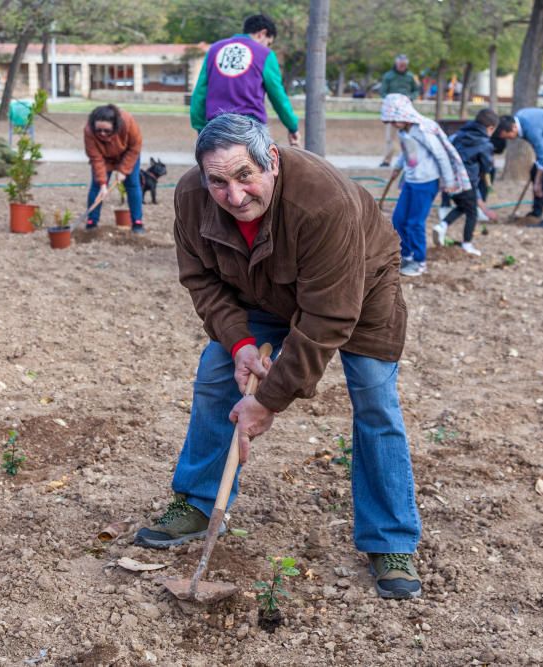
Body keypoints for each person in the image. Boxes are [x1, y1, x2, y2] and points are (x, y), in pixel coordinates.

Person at [133, 113, 423, 600]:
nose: (234, 196)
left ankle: (391, 540)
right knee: (215, 372)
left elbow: (327, 317)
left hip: (358, 287)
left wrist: (267, 401)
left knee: (374, 399)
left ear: (271, 160)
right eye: (218, 182)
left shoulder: (323, 202)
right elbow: (201, 280)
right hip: (260, 288)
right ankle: (200, 502)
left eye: (244, 176)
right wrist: (240, 344)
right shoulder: (191, 198)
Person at [382, 94, 471, 277]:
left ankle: (419, 261)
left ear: (403, 114)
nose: (392, 124)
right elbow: (407, 152)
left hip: (426, 182)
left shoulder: (424, 130)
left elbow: (441, 155)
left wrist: (449, 181)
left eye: (393, 119)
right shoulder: (404, 131)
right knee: (399, 219)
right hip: (411, 181)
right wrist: (398, 168)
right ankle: (406, 255)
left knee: (414, 223)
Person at [189, 14, 301, 147]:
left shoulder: (214, 49)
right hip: (250, 130)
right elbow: (278, 96)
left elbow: (200, 93)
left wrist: (200, 128)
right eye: (269, 43)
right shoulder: (265, 54)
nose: (268, 47)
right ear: (262, 34)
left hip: (215, 127)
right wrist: (292, 126)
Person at [434, 109, 499, 256]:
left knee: (463, 206)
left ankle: (442, 226)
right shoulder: (485, 143)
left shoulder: (459, 135)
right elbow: (487, 167)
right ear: (490, 128)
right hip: (467, 182)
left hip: (451, 180)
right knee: (472, 213)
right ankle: (467, 244)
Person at [83, 104, 145, 233]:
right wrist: (103, 184)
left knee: (133, 185)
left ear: (115, 126)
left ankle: (137, 222)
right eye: (99, 130)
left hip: (128, 155)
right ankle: (92, 221)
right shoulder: (89, 131)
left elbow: (135, 147)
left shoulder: (128, 122)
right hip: (104, 158)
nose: (102, 133)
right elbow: (96, 158)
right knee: (96, 186)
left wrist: (123, 170)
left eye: (107, 131)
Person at [379, 55, 420, 167]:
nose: (402, 66)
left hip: (406, 111)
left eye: (404, 65)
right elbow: (383, 92)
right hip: (392, 111)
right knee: (390, 138)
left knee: (409, 137)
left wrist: (410, 98)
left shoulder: (410, 77)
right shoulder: (388, 76)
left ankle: (411, 160)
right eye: (400, 64)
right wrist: (391, 100)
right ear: (396, 64)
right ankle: (387, 160)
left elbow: (416, 91)